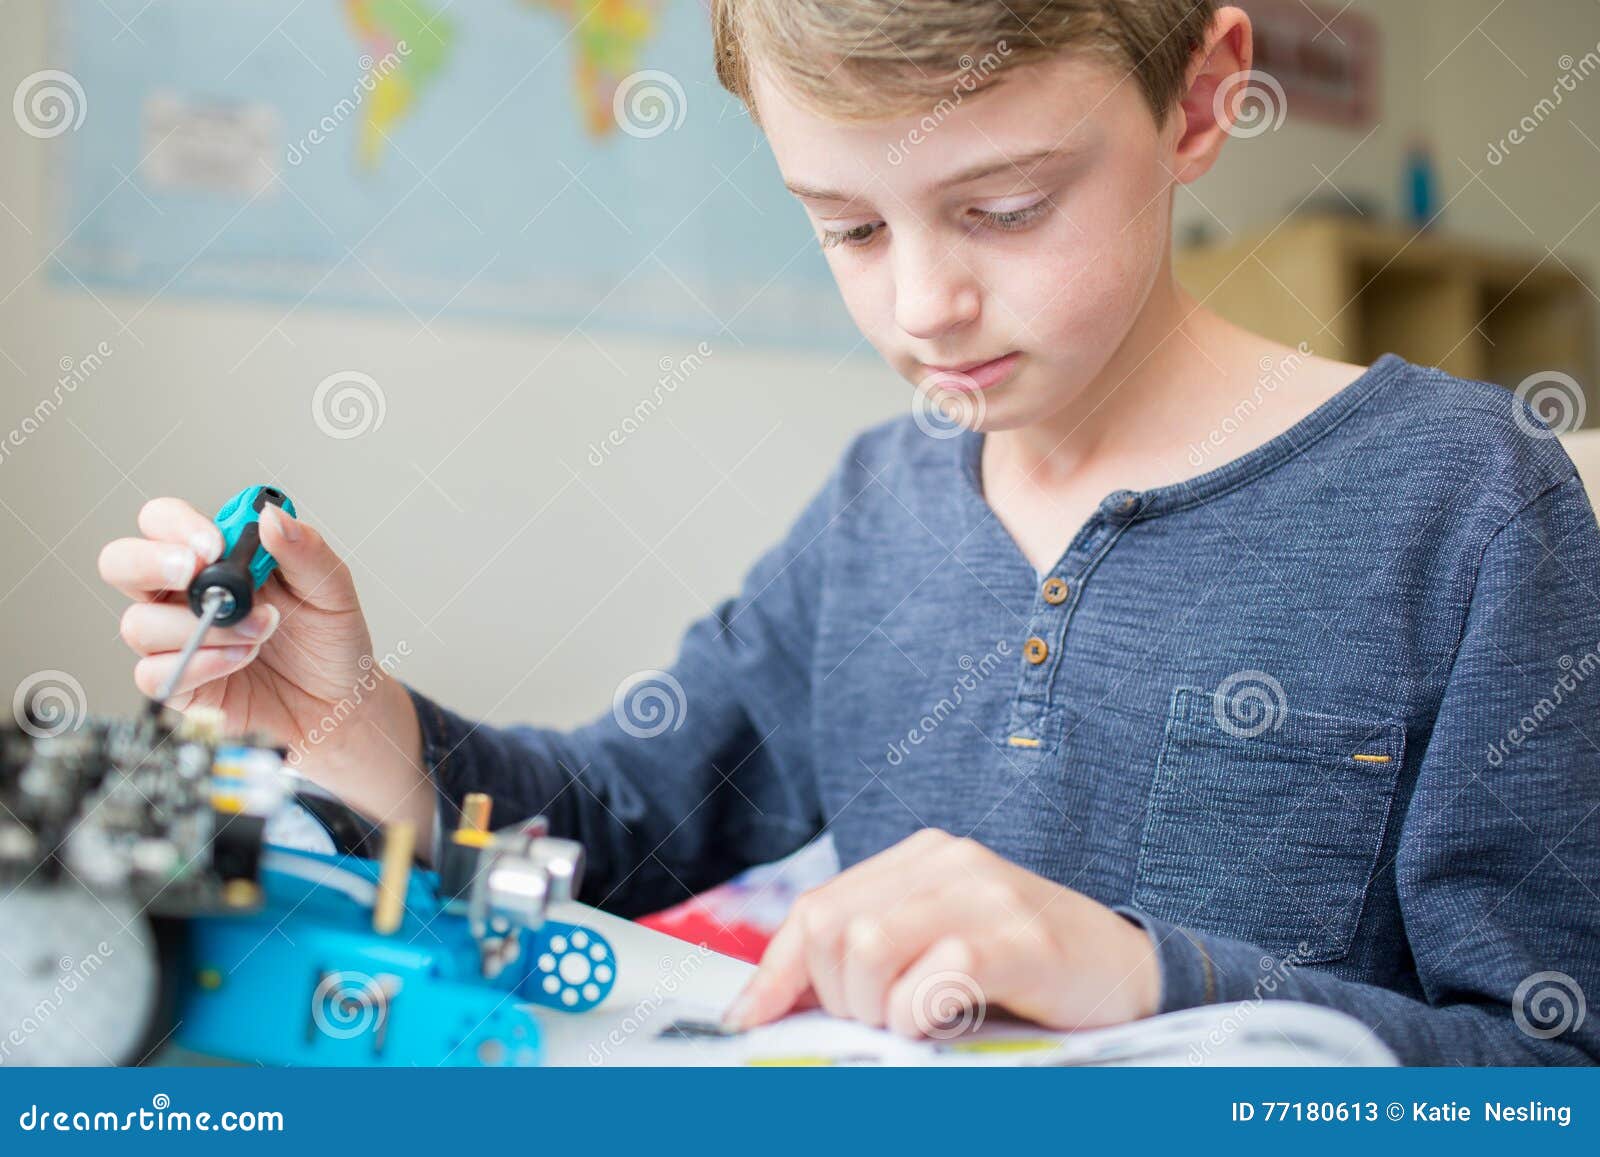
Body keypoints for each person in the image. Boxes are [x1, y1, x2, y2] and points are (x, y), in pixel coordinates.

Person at [97, 1, 1600, 1064]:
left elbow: (1553, 1067)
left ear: (1202, 98)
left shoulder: (1468, 506)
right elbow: (616, 815)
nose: (920, 307)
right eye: (849, 227)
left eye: (1006, 207)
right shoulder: (877, 509)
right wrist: (358, 721)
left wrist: (1150, 974)